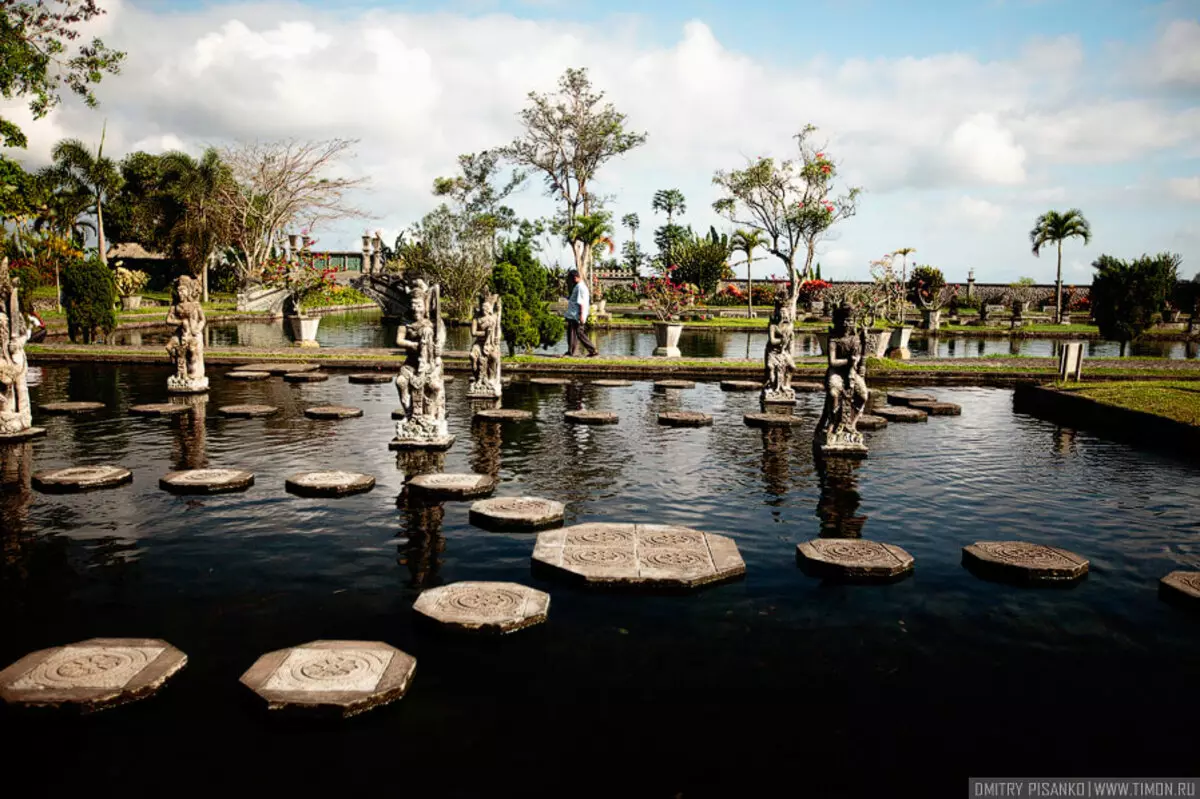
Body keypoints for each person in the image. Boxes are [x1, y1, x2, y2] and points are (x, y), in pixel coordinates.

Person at [564, 269, 598, 357]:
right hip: (574, 314)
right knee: (572, 333)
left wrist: (581, 315)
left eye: (570, 279)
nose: (570, 282)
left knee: (579, 333)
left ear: (575, 278)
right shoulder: (580, 286)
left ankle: (593, 350)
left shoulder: (580, 287)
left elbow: (581, 302)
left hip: (576, 314)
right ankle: (571, 351)